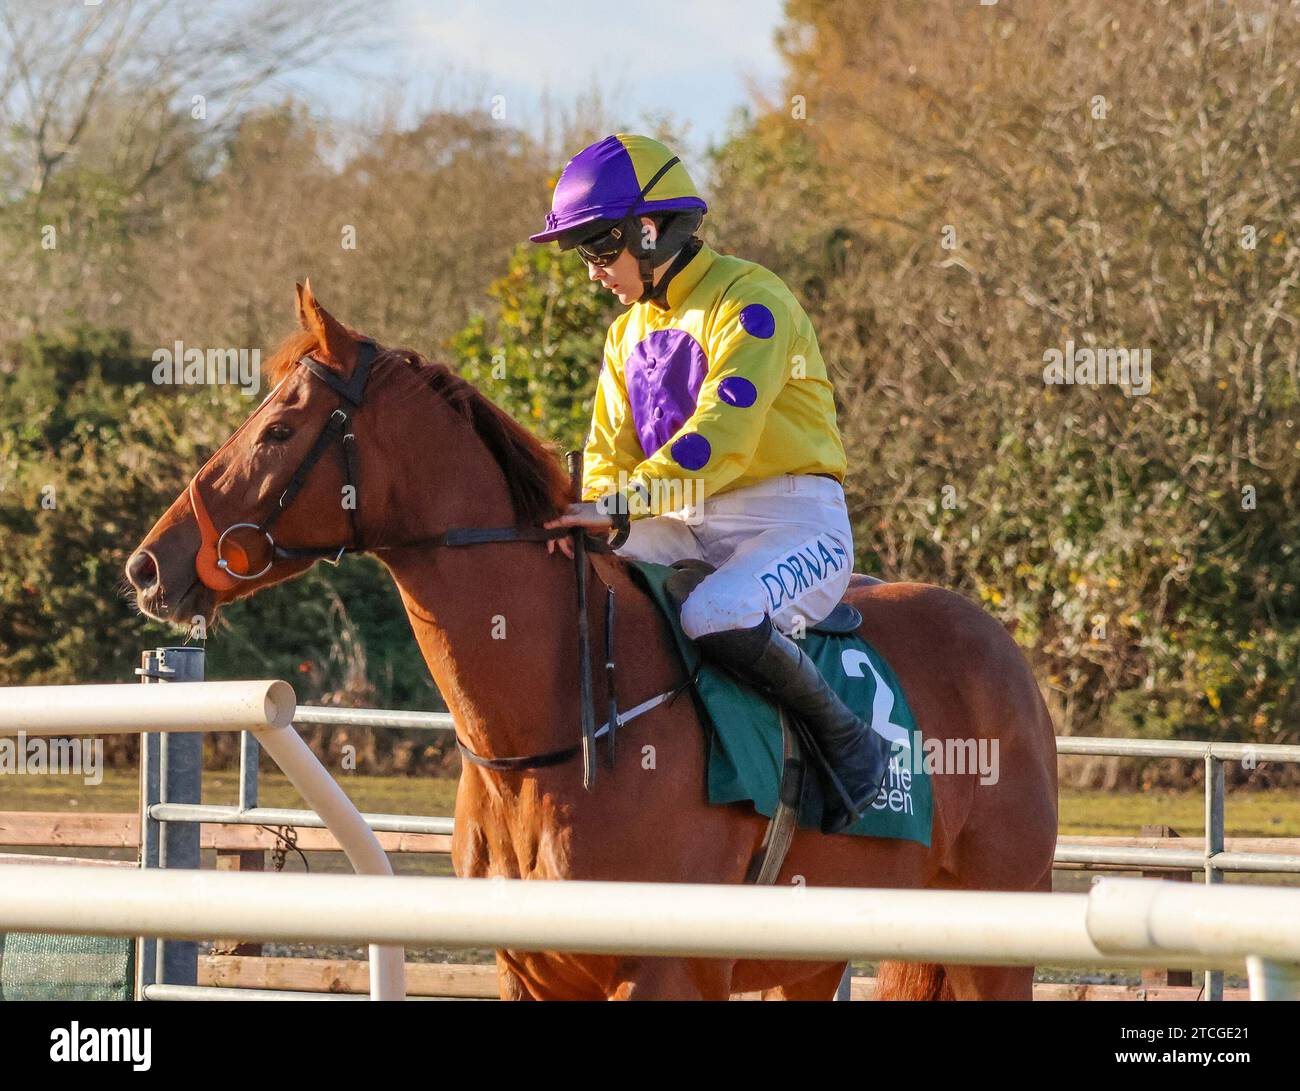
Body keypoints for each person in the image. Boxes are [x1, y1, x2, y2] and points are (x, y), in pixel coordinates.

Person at [532, 133, 888, 833]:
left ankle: (849, 740)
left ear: (650, 228)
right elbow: (607, 454)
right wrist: (599, 510)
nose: (593, 271)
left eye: (601, 248)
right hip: (681, 518)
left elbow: (718, 440)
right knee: (586, 573)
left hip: (792, 522)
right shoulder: (623, 334)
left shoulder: (754, 299)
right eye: (584, 254)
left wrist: (622, 505)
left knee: (714, 614)